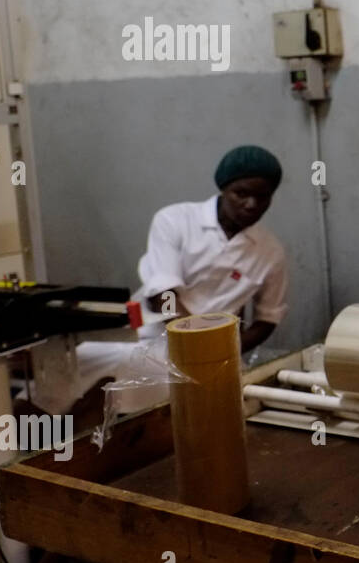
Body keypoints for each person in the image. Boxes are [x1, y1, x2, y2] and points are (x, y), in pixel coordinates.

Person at [28, 145, 289, 418]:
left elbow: (268, 318)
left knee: (161, 408)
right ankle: (20, 441)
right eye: (241, 193)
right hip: (142, 335)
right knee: (62, 377)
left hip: (212, 352)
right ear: (223, 188)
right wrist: (192, 339)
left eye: (263, 197)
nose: (251, 204)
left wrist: (227, 351)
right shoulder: (175, 220)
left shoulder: (270, 252)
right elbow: (162, 295)